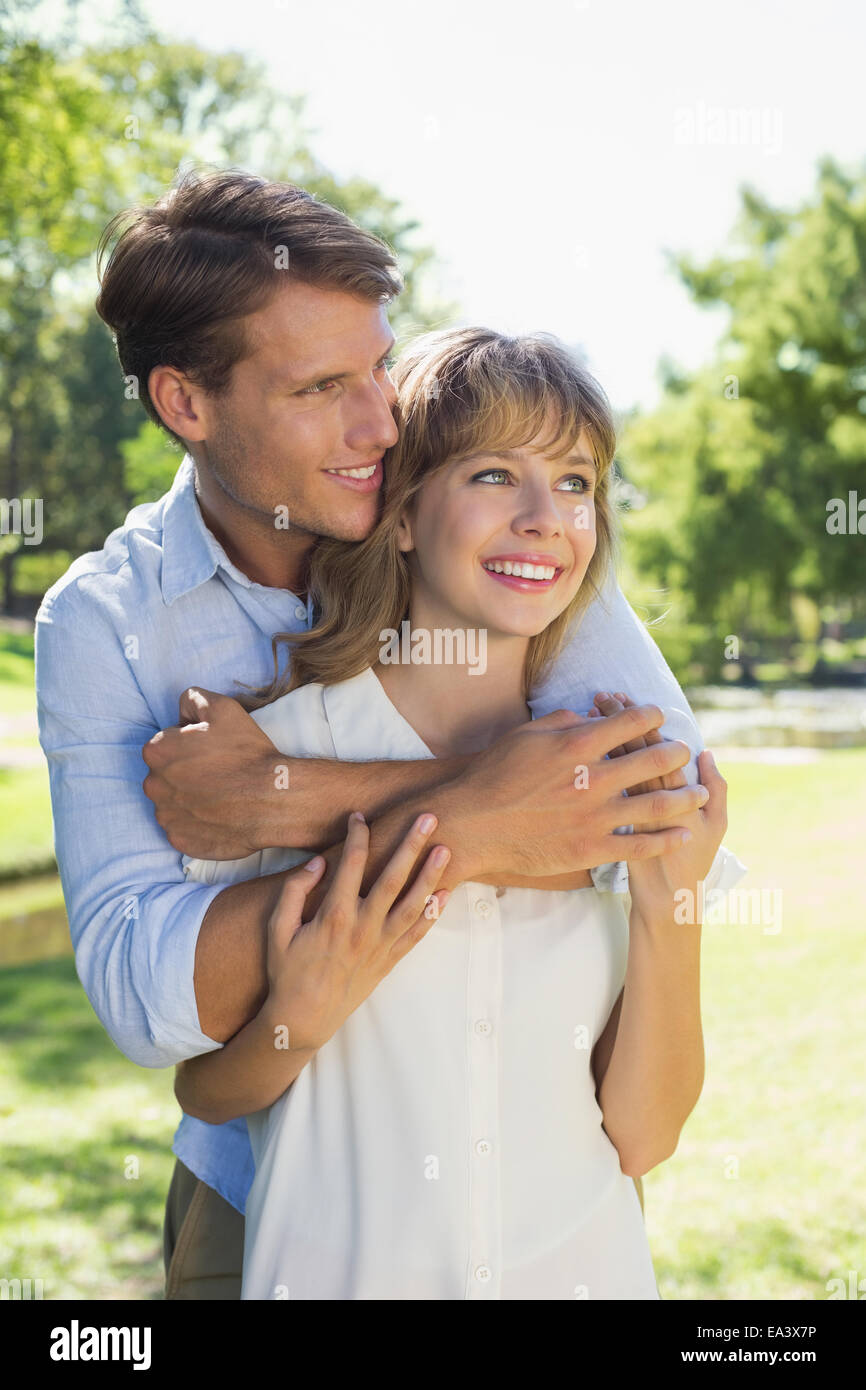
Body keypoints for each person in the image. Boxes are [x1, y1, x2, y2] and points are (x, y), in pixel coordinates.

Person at [34, 169, 734, 1301]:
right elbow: (146, 992)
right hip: (267, 1197)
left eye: (378, 365)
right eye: (322, 387)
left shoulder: (517, 549)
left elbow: (648, 814)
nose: (380, 422)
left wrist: (286, 796)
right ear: (186, 404)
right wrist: (485, 814)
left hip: (547, 1211)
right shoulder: (109, 620)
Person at [176, 325, 746, 1300]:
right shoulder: (278, 759)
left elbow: (643, 1135)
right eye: (493, 475)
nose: (544, 518)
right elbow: (206, 1092)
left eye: (574, 483)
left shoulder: (625, 778)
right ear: (399, 516)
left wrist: (669, 907)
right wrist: (298, 1021)